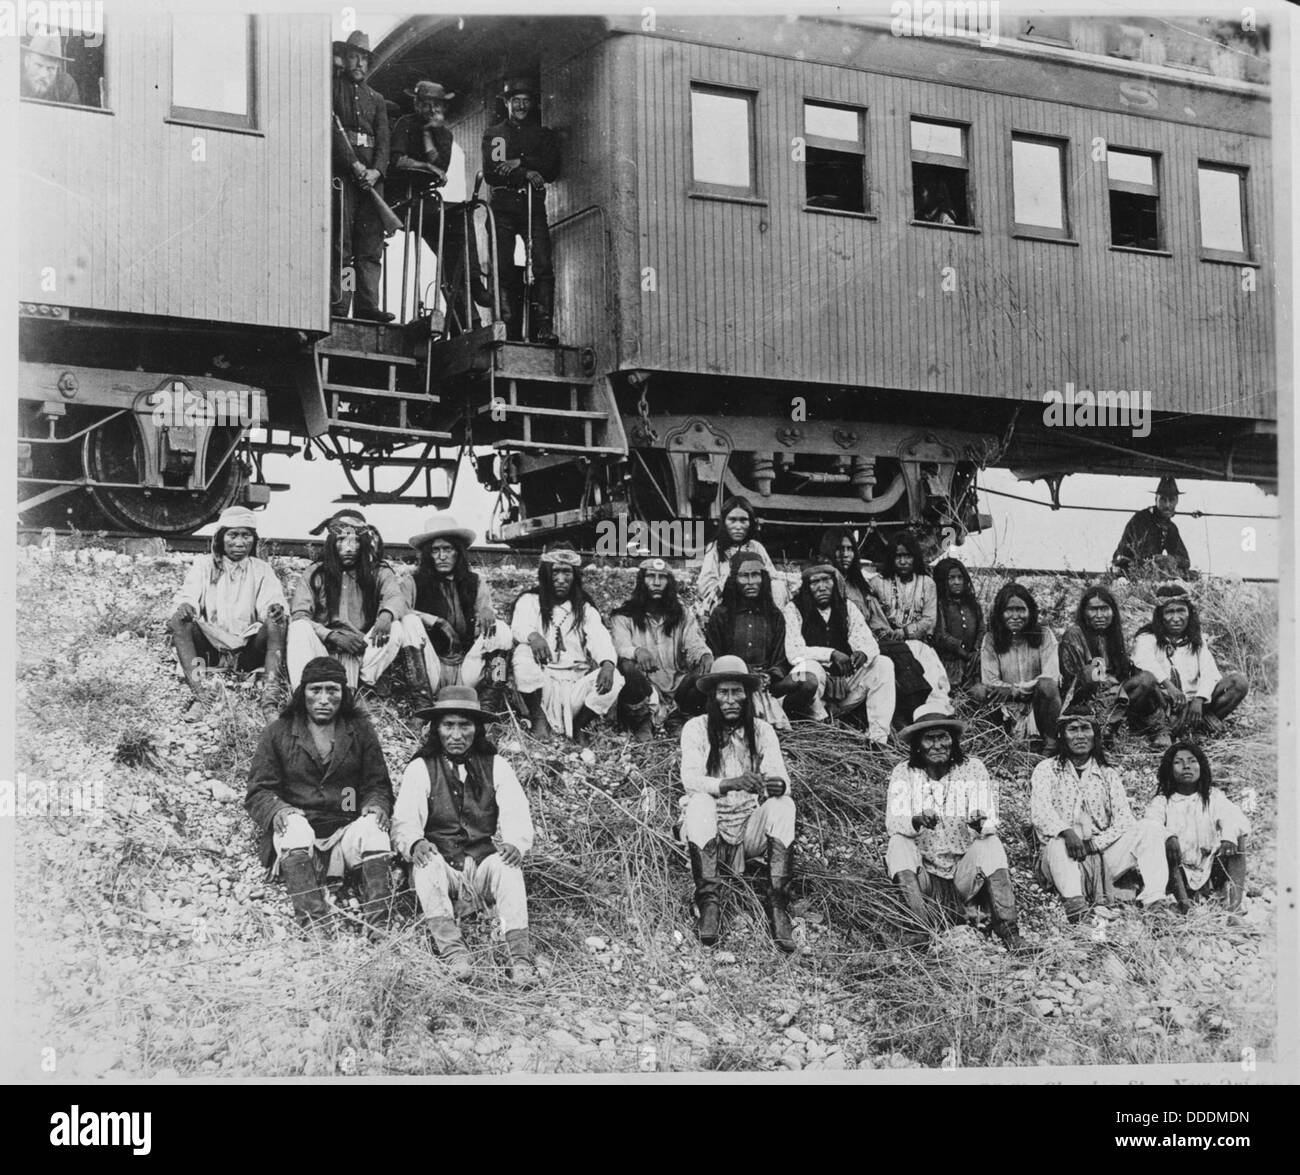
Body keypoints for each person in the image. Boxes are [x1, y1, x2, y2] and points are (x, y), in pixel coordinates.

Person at [391, 685, 538, 984]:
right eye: (448, 725)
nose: (456, 735)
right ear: (437, 729)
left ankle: (520, 960)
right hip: (443, 866)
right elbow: (405, 820)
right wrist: (415, 842)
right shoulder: (421, 768)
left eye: (465, 725)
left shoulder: (496, 765)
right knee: (426, 863)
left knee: (508, 868)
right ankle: (454, 954)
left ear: (477, 729)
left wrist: (514, 843)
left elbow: (515, 811)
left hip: (479, 865)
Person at [245, 657, 394, 931]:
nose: (324, 699)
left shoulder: (360, 731)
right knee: (294, 827)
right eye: (316, 690)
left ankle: (379, 928)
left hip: (346, 831)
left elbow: (377, 783)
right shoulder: (277, 732)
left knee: (375, 829)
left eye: (332, 690)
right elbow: (259, 790)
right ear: (303, 693)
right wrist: (277, 809)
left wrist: (375, 805)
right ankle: (314, 926)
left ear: (343, 693)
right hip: (302, 835)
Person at [679, 656, 798, 952]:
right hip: (709, 833)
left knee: (784, 804)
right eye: (723, 693)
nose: (730, 700)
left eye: (737, 692)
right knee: (699, 801)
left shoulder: (762, 731)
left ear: (747, 695)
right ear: (712, 696)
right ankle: (709, 902)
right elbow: (690, 780)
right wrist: (729, 784)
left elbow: (780, 777)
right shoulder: (695, 728)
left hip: (747, 831)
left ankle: (778, 905)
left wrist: (775, 784)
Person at [885, 713, 1028, 952]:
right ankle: (917, 929)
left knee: (990, 844)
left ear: (953, 741)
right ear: (917, 745)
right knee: (898, 844)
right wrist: (916, 820)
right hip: (925, 879)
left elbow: (991, 819)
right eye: (929, 739)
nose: (938, 745)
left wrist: (978, 822)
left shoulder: (973, 768)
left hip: (963, 874)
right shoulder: (904, 773)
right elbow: (893, 823)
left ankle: (1009, 931)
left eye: (943, 737)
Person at [1030, 713, 1171, 922]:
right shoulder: (1047, 769)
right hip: (1063, 860)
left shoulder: (1107, 774)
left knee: (1150, 828)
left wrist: (1095, 844)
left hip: (1103, 859)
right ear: (1061, 735)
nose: (1080, 736)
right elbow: (1040, 813)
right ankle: (1077, 907)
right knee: (1057, 841)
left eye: (1085, 729)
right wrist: (1067, 832)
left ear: (1095, 735)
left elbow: (1124, 820)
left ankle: (1154, 902)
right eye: (1073, 729)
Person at [287, 509, 434, 705]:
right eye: (341, 541)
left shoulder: (379, 571)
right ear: (331, 544)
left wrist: (386, 616)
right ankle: (303, 694)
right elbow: (299, 614)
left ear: (364, 543)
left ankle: (364, 686)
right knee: (298, 628)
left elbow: (394, 597)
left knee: (397, 625)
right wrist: (330, 635)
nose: (348, 548)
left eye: (355, 541)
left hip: (363, 650)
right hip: (324, 649)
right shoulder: (315, 572)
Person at [168, 506, 287, 715]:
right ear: (221, 538)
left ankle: (270, 696)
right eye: (233, 535)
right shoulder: (204, 565)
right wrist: (188, 606)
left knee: (277, 622)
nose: (240, 543)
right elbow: (188, 594)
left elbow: (271, 601)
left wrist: (274, 610)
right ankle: (200, 693)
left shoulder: (261, 569)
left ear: (254, 539)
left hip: (249, 650)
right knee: (180, 620)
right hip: (211, 648)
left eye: (246, 536)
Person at [388, 81, 487, 330]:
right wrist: (426, 167)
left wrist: (426, 135)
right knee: (449, 240)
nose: (431, 109)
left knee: (456, 242)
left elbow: (439, 169)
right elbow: (398, 161)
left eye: (436, 105)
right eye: (426, 104)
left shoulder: (445, 134)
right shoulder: (404, 124)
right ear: (416, 103)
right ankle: (469, 299)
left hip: (427, 203)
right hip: (404, 200)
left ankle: (467, 314)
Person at [510, 545, 623, 740]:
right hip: (541, 685)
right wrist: (534, 637)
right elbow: (519, 626)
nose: (561, 579)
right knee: (522, 652)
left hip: (574, 686)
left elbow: (599, 637)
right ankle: (539, 720)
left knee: (616, 676)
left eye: (567, 572)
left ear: (575, 576)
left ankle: (580, 726)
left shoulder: (584, 608)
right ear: (546, 574)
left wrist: (607, 663)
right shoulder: (529, 600)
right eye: (555, 572)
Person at [403, 513, 512, 714]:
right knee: (409, 622)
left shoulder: (475, 581)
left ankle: (490, 703)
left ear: (458, 553)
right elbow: (401, 611)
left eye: (448, 549)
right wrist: (437, 622)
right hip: (431, 668)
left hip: (466, 668)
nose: (442, 556)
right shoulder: (413, 581)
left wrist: (488, 611)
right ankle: (422, 704)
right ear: (428, 554)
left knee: (502, 631)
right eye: (436, 550)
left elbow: (484, 615)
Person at [482, 78, 561, 344]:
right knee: (502, 265)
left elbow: (551, 168)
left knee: (542, 264)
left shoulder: (542, 135)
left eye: (526, 101)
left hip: (532, 206)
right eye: (516, 100)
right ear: (506, 103)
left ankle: (544, 328)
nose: (521, 106)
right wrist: (528, 171)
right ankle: (504, 324)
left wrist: (520, 162)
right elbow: (494, 171)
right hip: (503, 207)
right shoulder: (497, 135)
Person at [702, 551, 817, 728]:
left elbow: (780, 658)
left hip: (767, 683)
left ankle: (790, 714)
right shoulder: (721, 614)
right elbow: (715, 654)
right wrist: (742, 672)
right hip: (734, 681)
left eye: (755, 575)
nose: (750, 582)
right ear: (734, 580)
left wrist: (771, 675)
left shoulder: (774, 615)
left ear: (763, 578)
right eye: (744, 576)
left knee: (808, 680)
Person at [783, 563, 895, 744]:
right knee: (809, 668)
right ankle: (822, 725)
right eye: (814, 582)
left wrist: (863, 653)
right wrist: (831, 654)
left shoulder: (846, 607)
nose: (822, 587)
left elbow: (869, 642)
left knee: (883, 663)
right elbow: (794, 652)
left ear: (835, 583)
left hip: (845, 687)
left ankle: (877, 737)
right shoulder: (793, 609)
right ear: (806, 587)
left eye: (826, 580)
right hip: (816, 695)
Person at [609, 557, 713, 741]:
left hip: (677, 684)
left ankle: (679, 717)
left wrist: (704, 654)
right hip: (645, 686)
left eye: (662, 577)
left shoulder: (681, 615)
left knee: (704, 670)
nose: (656, 583)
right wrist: (637, 651)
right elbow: (620, 645)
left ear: (669, 582)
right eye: (650, 577)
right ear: (642, 581)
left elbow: (693, 642)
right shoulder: (623, 615)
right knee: (626, 667)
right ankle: (642, 720)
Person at [1130, 581, 1249, 739]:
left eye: (1181, 611)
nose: (1176, 618)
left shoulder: (1196, 640)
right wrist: (1169, 686)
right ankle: (1159, 729)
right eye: (1169, 612)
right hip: (1161, 704)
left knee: (1238, 682)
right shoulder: (1146, 638)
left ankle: (1200, 728)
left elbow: (1210, 672)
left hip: (1191, 705)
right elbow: (1145, 662)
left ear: (1189, 613)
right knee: (1145, 680)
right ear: (1160, 615)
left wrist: (1199, 699)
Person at [331, 30, 393, 322]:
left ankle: (368, 307)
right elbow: (332, 132)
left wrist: (375, 171)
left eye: (364, 58)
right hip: (344, 178)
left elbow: (384, 142)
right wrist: (353, 166)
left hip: (372, 183)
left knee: (369, 248)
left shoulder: (377, 99)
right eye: (354, 56)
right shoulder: (333, 89)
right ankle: (342, 304)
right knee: (343, 247)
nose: (359, 63)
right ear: (345, 59)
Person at [1146, 742, 1250, 914]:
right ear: (1169, 770)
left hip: (1209, 868)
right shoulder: (1162, 801)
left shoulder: (1213, 797)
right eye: (1178, 762)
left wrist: (1228, 837)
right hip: (1177, 871)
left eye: (1192, 761)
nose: (1186, 766)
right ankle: (1184, 905)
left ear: (1201, 766)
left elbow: (1234, 817)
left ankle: (1234, 910)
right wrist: (1168, 836)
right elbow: (1151, 823)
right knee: (1167, 844)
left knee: (1237, 838)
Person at [866, 531, 952, 723]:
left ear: (915, 557)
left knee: (930, 678)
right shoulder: (878, 583)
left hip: (917, 644)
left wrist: (905, 632)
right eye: (898, 556)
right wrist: (889, 634)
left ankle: (933, 717)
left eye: (907, 556)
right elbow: (874, 616)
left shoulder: (927, 583)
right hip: (889, 645)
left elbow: (929, 619)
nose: (903, 561)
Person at [1057, 584, 1162, 738]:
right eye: (1093, 609)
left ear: (1112, 612)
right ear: (1084, 612)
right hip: (1086, 699)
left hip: (1116, 694)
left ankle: (1119, 723)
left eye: (1104, 609)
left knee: (1147, 678)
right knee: (1090, 672)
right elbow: (1074, 680)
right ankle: (1100, 723)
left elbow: (1124, 670)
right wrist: (1105, 681)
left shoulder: (1113, 635)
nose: (1099, 615)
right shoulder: (1074, 634)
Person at [970, 582, 1062, 751]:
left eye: (1020, 609)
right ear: (999, 613)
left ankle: (1051, 744)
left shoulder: (1045, 635)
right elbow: (990, 680)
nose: (1015, 616)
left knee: (1047, 685)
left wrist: (1016, 689)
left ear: (1030, 611)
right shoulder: (991, 639)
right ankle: (997, 743)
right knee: (980, 691)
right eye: (1008, 610)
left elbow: (1051, 675)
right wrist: (1011, 691)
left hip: (1038, 703)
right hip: (1006, 705)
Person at [695, 495, 787, 622]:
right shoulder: (716, 548)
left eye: (743, 520)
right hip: (728, 603)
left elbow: (771, 576)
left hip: (756, 600)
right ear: (724, 522)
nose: (738, 526)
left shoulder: (756, 547)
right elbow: (705, 586)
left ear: (750, 522)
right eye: (732, 520)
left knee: (778, 585)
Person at [1111, 475, 1191, 578]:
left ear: (1177, 501)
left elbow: (1185, 560)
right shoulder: (1141, 520)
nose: (1167, 505)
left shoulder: (1171, 528)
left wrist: (1171, 560)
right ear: (1155, 500)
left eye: (1171, 500)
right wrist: (1157, 561)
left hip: (1150, 574)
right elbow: (1138, 557)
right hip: (1125, 572)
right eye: (1163, 499)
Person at [819, 526, 889, 631]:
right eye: (839, 549)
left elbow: (878, 624)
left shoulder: (860, 586)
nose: (845, 554)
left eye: (850, 549)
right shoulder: (819, 585)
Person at [931, 557, 983, 691]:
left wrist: (976, 650)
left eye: (960, 577)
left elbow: (982, 629)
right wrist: (962, 651)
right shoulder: (940, 605)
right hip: (948, 663)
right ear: (943, 581)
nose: (957, 582)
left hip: (972, 661)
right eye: (951, 578)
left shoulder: (973, 605)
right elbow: (941, 635)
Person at [20, 34, 81, 104]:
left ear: (57, 67)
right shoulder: (13, 80)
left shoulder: (66, 86)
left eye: (51, 68)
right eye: (39, 65)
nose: (44, 74)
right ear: (27, 61)